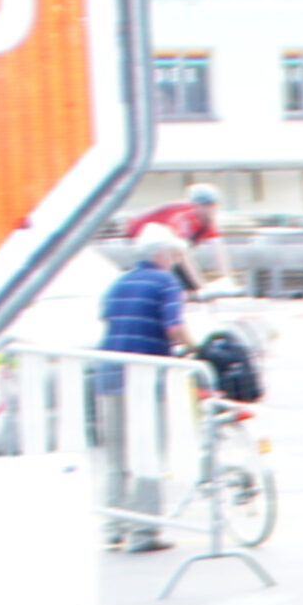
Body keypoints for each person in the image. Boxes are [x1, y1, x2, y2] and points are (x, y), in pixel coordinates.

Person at [97, 230, 189, 552]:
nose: (176, 262)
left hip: (109, 376)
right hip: (144, 381)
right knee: (148, 454)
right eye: (175, 256)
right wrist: (196, 348)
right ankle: (144, 533)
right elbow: (174, 328)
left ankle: (112, 529)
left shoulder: (119, 283)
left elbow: (107, 317)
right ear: (162, 254)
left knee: (117, 458)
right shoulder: (165, 283)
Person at [129, 184, 231, 293]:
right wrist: (201, 287)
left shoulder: (208, 220)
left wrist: (227, 279)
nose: (212, 209)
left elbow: (218, 250)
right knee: (178, 284)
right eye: (207, 205)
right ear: (196, 206)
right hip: (148, 243)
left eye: (214, 205)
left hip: (171, 254)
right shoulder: (183, 217)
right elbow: (183, 256)